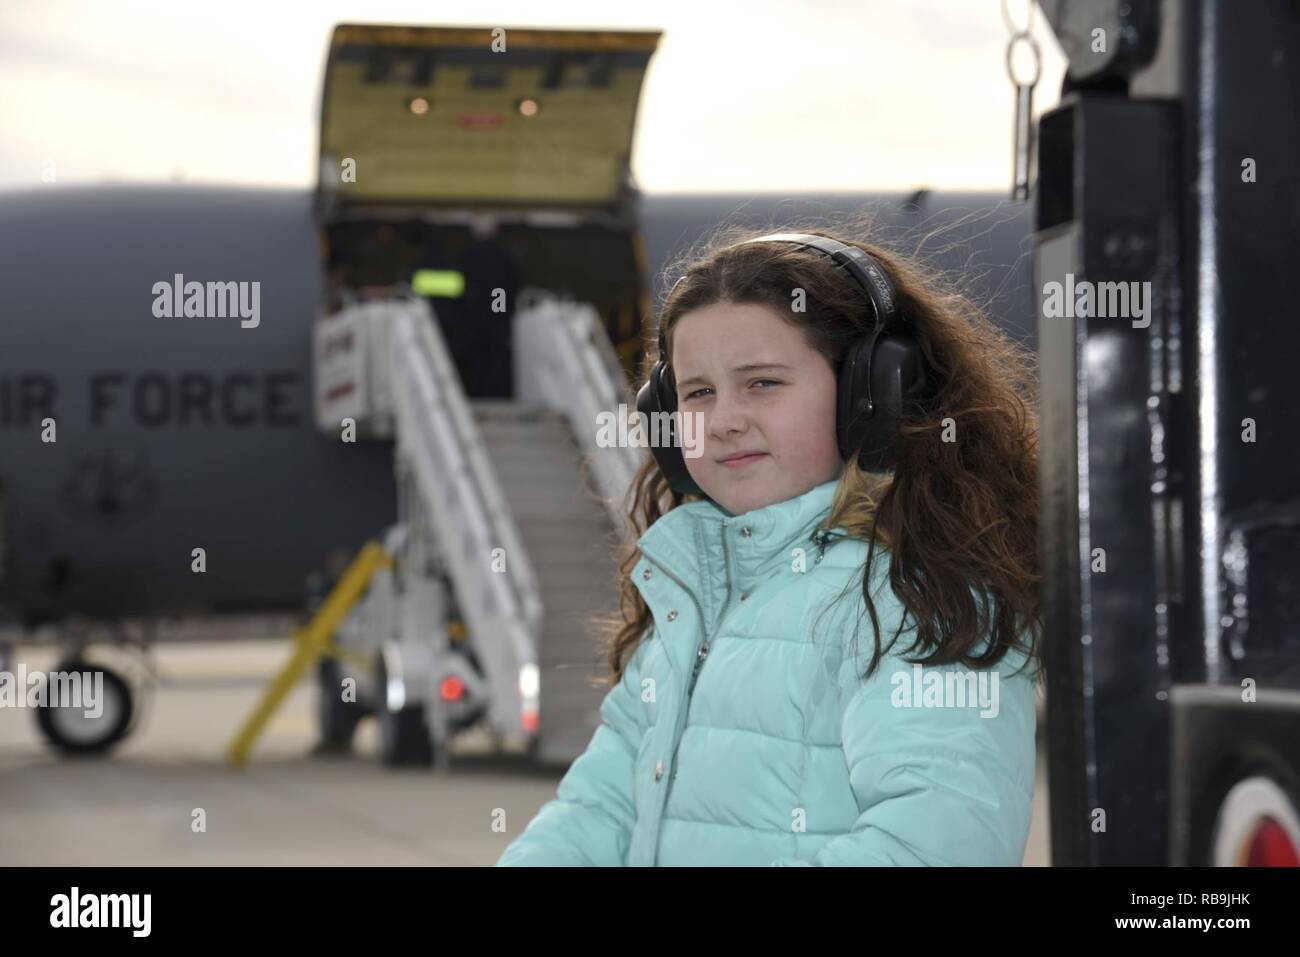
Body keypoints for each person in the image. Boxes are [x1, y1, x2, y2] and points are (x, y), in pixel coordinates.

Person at [496, 224, 1043, 866]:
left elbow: (933, 844)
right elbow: (601, 809)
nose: (724, 419)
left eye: (762, 383)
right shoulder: (692, 596)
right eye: (699, 393)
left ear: (873, 398)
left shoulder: (920, 597)